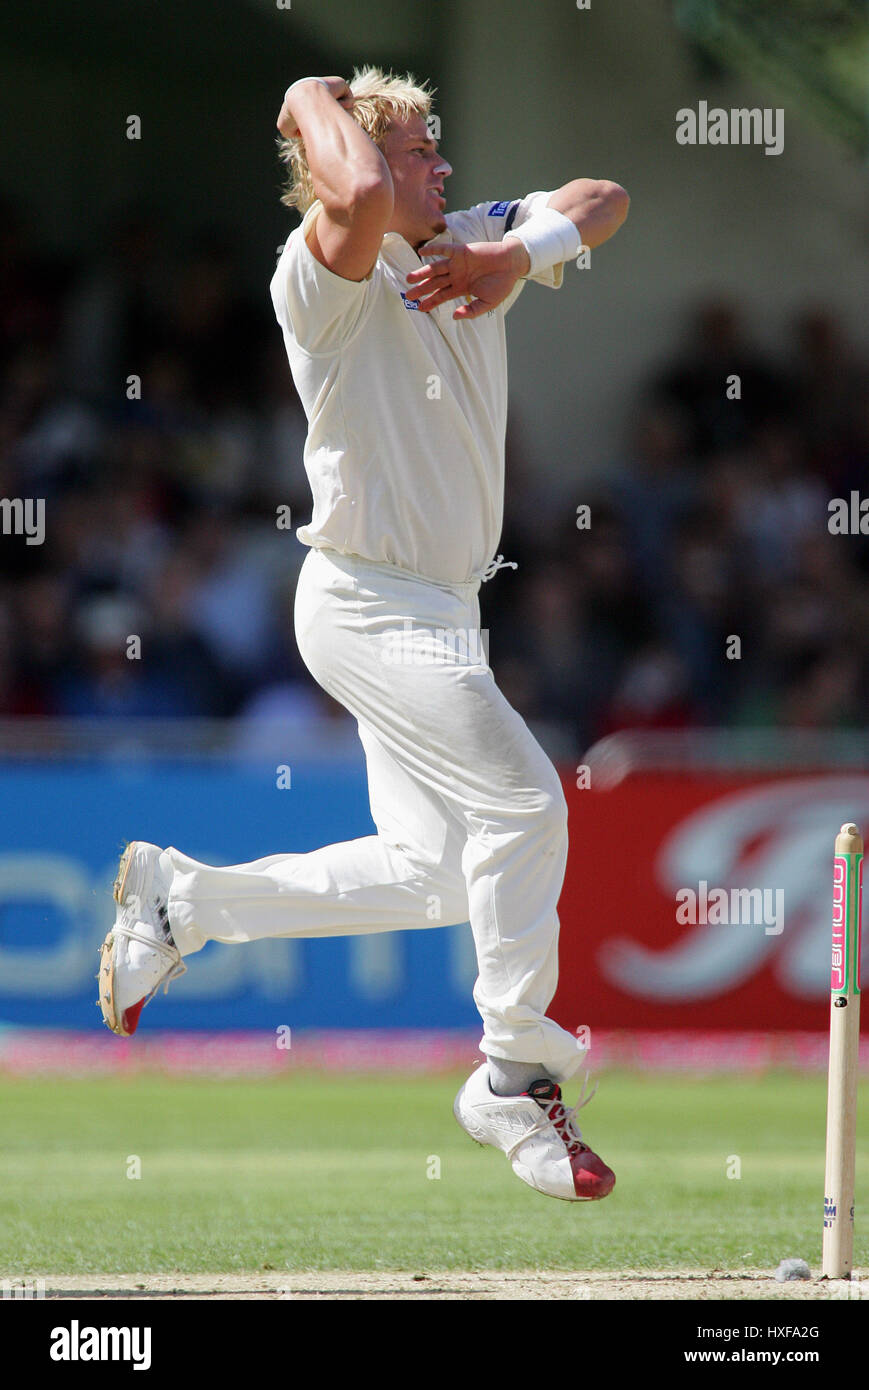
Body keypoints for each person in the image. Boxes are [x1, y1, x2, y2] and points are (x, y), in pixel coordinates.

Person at [98, 66, 629, 1203]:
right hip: (366, 597)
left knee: (435, 872)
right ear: (360, 164)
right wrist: (299, 91)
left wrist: (512, 258)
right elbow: (342, 190)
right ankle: (510, 1067)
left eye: (439, 148)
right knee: (525, 804)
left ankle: (181, 901)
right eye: (417, 150)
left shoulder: (476, 238)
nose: (444, 167)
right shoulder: (319, 275)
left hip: (440, 606)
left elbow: (600, 194)